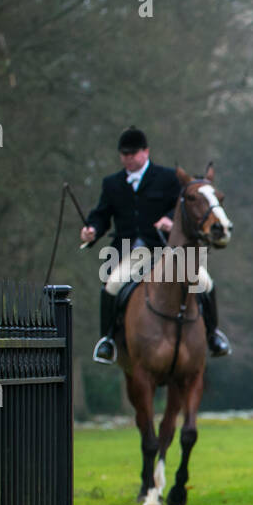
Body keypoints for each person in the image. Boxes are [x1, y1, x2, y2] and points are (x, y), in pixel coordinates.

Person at [81, 126, 230, 363]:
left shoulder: (167, 178)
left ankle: (213, 335)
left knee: (205, 282)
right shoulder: (112, 184)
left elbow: (185, 207)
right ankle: (107, 340)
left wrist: (169, 220)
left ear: (146, 152)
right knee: (111, 285)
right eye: (124, 154)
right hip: (132, 252)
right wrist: (91, 229)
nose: (128, 158)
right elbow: (101, 214)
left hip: (165, 250)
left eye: (133, 153)